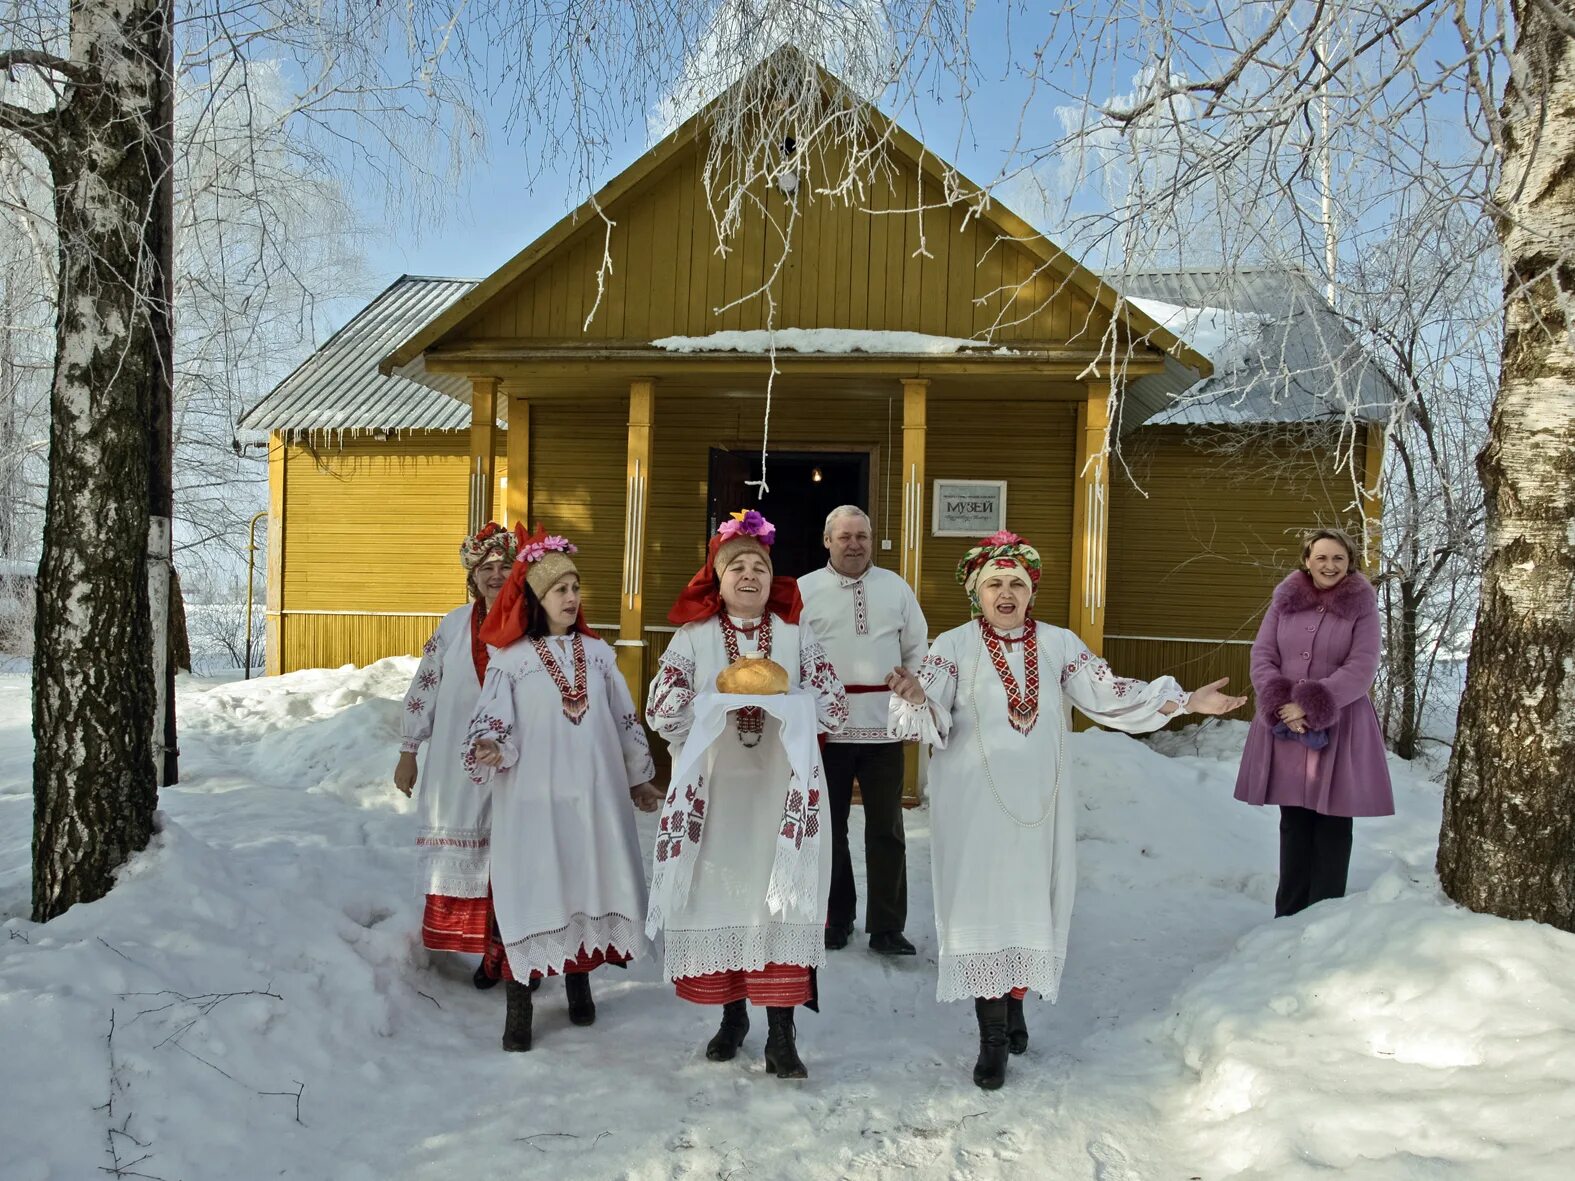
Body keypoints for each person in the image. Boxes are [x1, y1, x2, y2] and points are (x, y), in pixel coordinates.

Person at [886, 530, 1244, 1090]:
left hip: (1038, 809)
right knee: (983, 909)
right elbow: (927, 707)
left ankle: (1016, 1002)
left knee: (1031, 905)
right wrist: (913, 697)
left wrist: (1182, 701)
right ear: (975, 593)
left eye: (1016, 584)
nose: (1005, 593)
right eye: (994, 584)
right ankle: (993, 1038)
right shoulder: (951, 646)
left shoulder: (1058, 643)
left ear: (1031, 593)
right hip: (973, 808)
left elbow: (1109, 693)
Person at [645, 510, 848, 1080]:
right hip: (715, 798)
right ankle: (732, 1017)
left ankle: (781, 1035)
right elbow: (661, 712)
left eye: (760, 565)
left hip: (779, 796)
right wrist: (707, 700)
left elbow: (833, 706)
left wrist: (794, 703)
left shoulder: (796, 636)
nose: (750, 575)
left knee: (779, 905)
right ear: (718, 577)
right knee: (724, 900)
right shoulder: (693, 639)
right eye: (738, 566)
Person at [464, 525, 664, 1052]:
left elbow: (625, 720)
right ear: (536, 597)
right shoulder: (510, 661)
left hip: (593, 800)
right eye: (560, 590)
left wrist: (640, 777)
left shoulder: (599, 657)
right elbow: (492, 721)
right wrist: (489, 745)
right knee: (532, 893)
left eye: (576, 588)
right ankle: (520, 1004)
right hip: (534, 803)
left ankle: (579, 982)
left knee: (584, 886)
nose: (572, 598)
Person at [1234, 527, 1393, 918]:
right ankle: (1287, 916)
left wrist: (1312, 704)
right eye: (1321, 557)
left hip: (1341, 722)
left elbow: (1363, 665)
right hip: (1285, 723)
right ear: (1307, 560)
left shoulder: (1362, 606)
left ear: (1349, 562)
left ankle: (1323, 918)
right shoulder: (1284, 602)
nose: (1329, 565)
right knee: (1294, 821)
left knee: (1333, 823)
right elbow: (1263, 654)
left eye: (1338, 558)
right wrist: (1279, 701)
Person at [798, 505, 928, 955]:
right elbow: (792, 653)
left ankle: (887, 926)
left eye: (862, 537)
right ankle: (838, 918)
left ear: (872, 540)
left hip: (883, 729)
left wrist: (912, 693)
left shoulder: (895, 588)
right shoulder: (805, 590)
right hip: (827, 731)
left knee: (887, 829)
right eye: (845, 536)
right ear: (827, 541)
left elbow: (917, 647)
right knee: (829, 829)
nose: (855, 544)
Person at [395, 521, 516, 988]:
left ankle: (510, 953)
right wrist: (409, 749)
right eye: (486, 566)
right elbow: (424, 687)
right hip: (455, 764)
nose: (495, 574)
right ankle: (485, 951)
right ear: (472, 574)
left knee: (511, 858)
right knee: (474, 856)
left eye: (505, 566)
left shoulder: (531, 625)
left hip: (513, 763)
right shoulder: (451, 625)